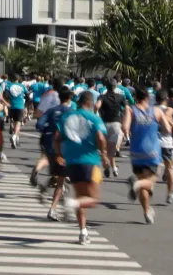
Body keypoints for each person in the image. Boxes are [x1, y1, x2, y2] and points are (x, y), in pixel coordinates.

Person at [58, 91, 109, 245]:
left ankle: (83, 232)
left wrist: (59, 154)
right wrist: (104, 154)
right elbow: (100, 137)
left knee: (81, 197)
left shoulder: (66, 117)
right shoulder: (94, 118)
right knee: (93, 200)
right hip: (90, 161)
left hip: (72, 162)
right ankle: (70, 204)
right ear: (90, 102)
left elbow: (57, 138)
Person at [123, 89, 173, 223]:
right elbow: (168, 128)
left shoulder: (130, 109)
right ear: (147, 98)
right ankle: (137, 183)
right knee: (150, 180)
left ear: (135, 98)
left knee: (143, 186)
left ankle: (147, 211)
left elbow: (125, 127)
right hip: (152, 151)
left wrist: (131, 133)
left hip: (136, 151)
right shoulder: (156, 111)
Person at [36, 86, 73, 221]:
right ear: (70, 98)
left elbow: (39, 124)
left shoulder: (51, 111)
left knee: (59, 176)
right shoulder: (72, 112)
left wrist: (48, 130)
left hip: (50, 147)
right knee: (63, 180)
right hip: (66, 150)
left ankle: (48, 194)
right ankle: (55, 207)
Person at [96, 79, 125, 178]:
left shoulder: (102, 97)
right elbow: (126, 108)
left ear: (106, 87)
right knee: (111, 150)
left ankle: (110, 167)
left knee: (105, 149)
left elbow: (97, 106)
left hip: (104, 124)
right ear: (115, 86)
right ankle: (110, 166)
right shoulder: (121, 97)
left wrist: (97, 115)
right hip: (116, 124)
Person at [4, 74, 28, 148]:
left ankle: (16, 140)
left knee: (14, 123)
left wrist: (10, 99)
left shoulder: (8, 86)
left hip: (12, 106)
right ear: (18, 79)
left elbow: (5, 95)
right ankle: (14, 137)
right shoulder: (22, 86)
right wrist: (26, 104)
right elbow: (28, 96)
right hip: (20, 106)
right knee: (18, 124)